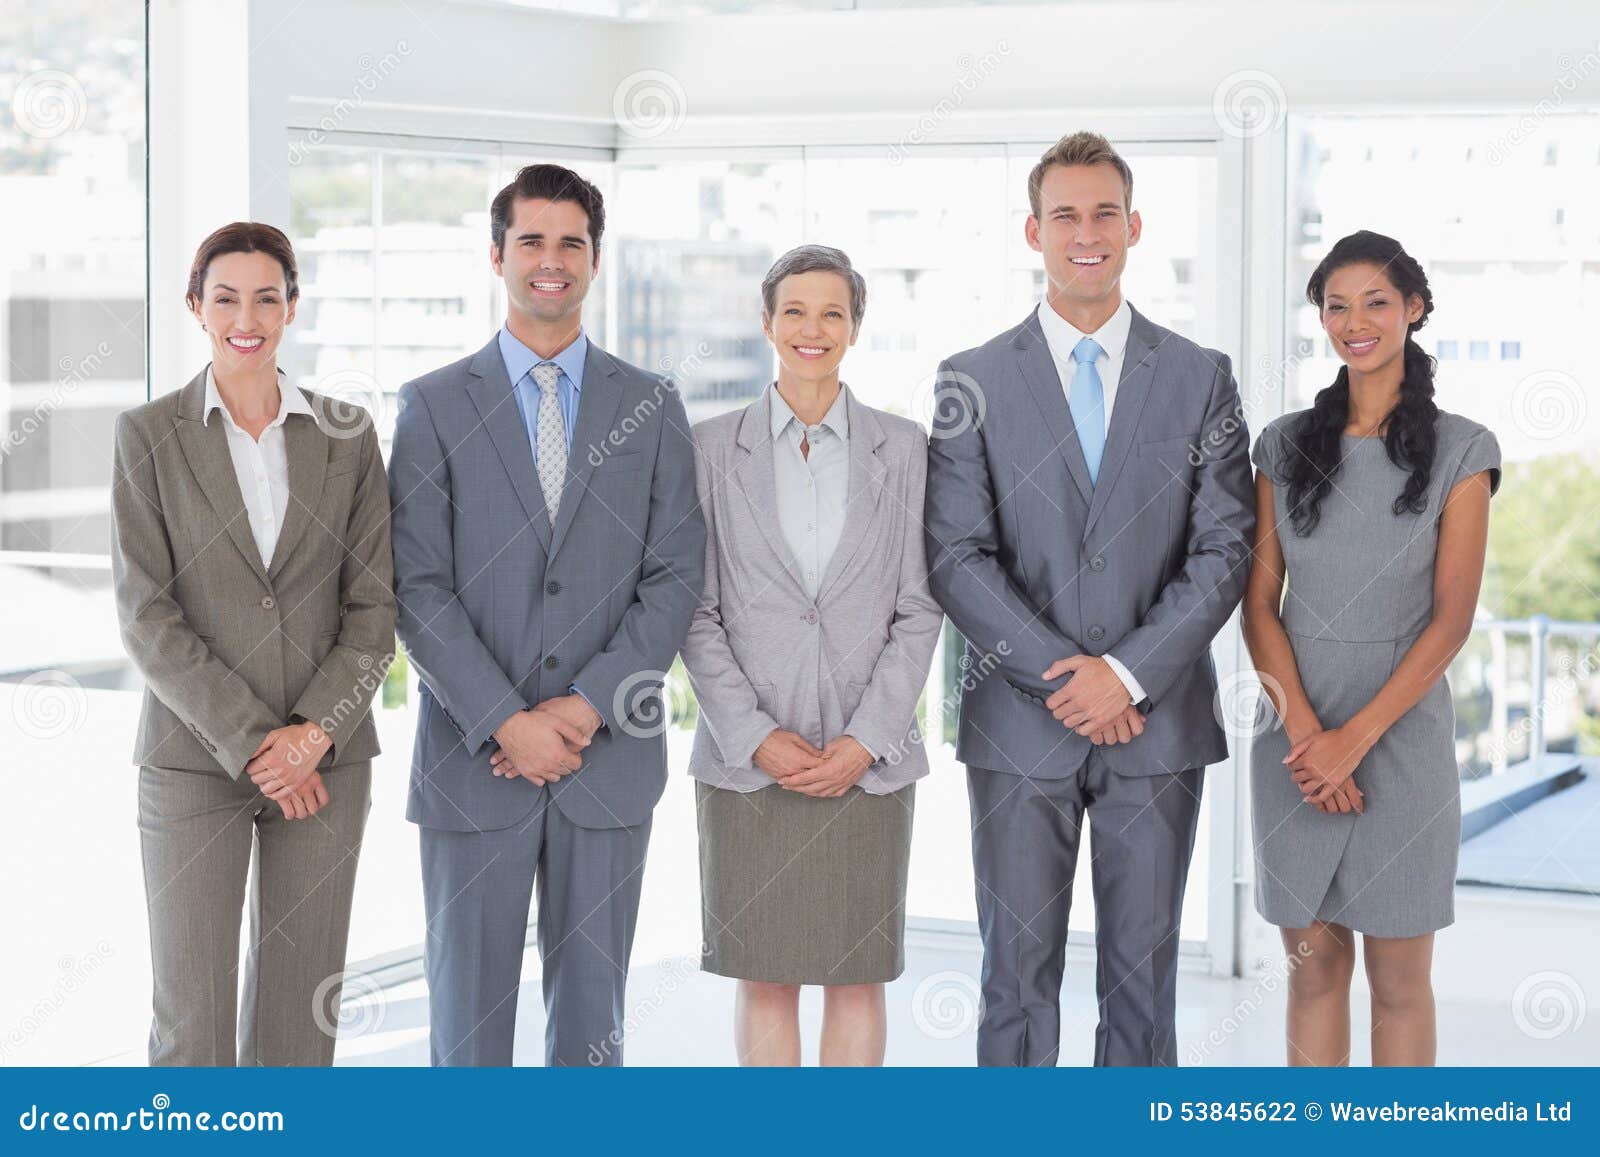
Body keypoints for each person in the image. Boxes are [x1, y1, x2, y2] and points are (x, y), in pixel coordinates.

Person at [923, 131, 1256, 1066]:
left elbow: (1226, 547)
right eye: (1065, 214)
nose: (1086, 232)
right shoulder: (971, 379)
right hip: (1018, 729)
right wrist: (1069, 679)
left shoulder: (1201, 376)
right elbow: (956, 555)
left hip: (1157, 730)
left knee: (1143, 989)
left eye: (1104, 212)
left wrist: (1127, 675)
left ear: (1134, 226)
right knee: (1013, 983)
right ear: (1033, 229)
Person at [389, 164, 705, 1067]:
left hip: (605, 762)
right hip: (471, 761)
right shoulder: (434, 405)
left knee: (592, 1031)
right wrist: (508, 721)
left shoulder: (651, 404)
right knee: (468, 1028)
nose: (551, 260)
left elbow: (676, 574)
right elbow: (418, 587)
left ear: (595, 260)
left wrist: (584, 705)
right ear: (497, 255)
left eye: (571, 242)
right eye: (531, 240)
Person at [111, 221, 395, 1065]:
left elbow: (374, 606)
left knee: (300, 1024)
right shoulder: (149, 436)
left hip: (327, 762)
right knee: (191, 1023)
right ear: (195, 306)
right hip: (193, 762)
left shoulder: (348, 434)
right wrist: (259, 744)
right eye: (226, 297)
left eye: (267, 297)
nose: (247, 316)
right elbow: (146, 616)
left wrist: (314, 734)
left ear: (292, 308)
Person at [1243, 230, 1500, 1066]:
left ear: (1414, 309)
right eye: (1336, 305)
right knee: (1313, 977)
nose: (1355, 322)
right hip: (1295, 747)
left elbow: (1450, 622)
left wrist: (1350, 743)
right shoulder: (1284, 445)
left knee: (1398, 983)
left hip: (1402, 748)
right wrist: (1307, 738)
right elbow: (1259, 605)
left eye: (1376, 302)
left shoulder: (1463, 449)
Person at [682, 245, 942, 1066]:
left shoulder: (905, 449)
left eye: (832, 312)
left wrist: (866, 739)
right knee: (763, 975)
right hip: (747, 763)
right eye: (794, 311)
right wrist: (754, 733)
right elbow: (695, 610)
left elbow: (920, 605)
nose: (812, 329)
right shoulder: (708, 448)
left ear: (855, 327)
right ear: (766, 323)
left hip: (867, 763)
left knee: (857, 976)